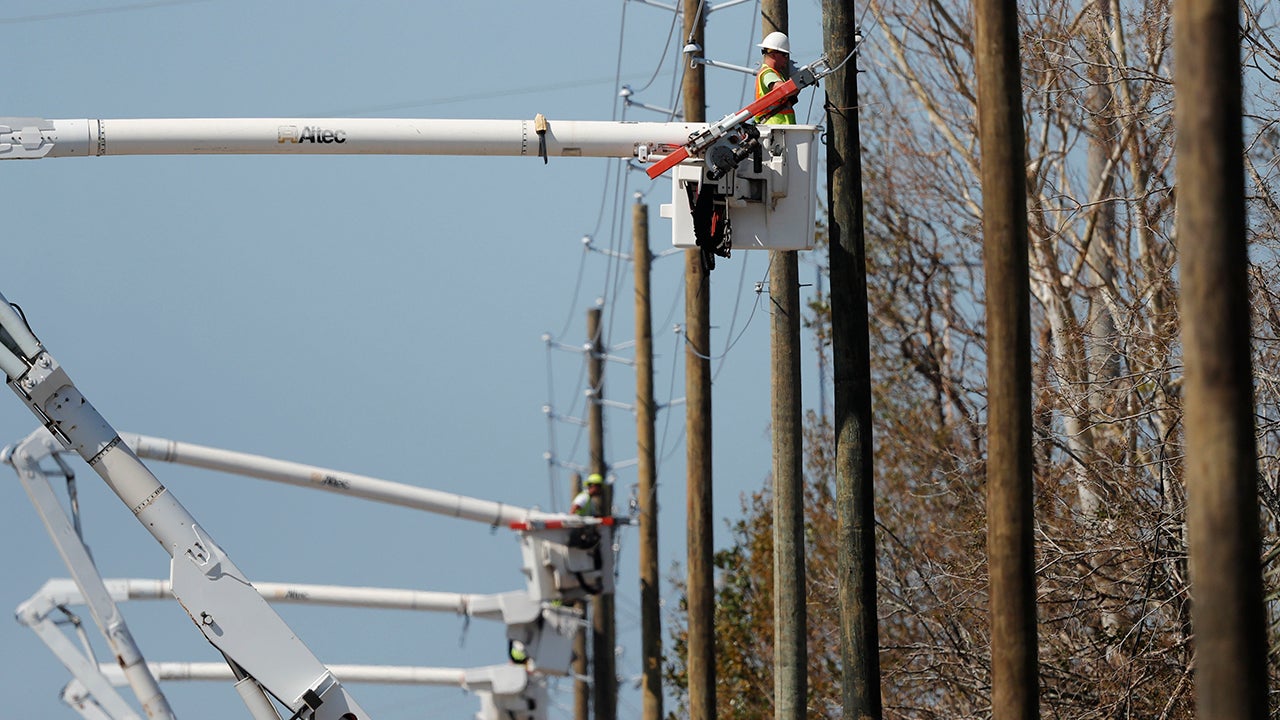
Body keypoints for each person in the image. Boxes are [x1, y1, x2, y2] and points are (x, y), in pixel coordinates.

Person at [755, 31, 797, 125]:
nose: (786, 59)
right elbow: (783, 90)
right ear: (773, 54)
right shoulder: (767, 73)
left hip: (781, 129)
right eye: (784, 55)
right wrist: (799, 80)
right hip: (774, 128)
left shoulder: (777, 74)